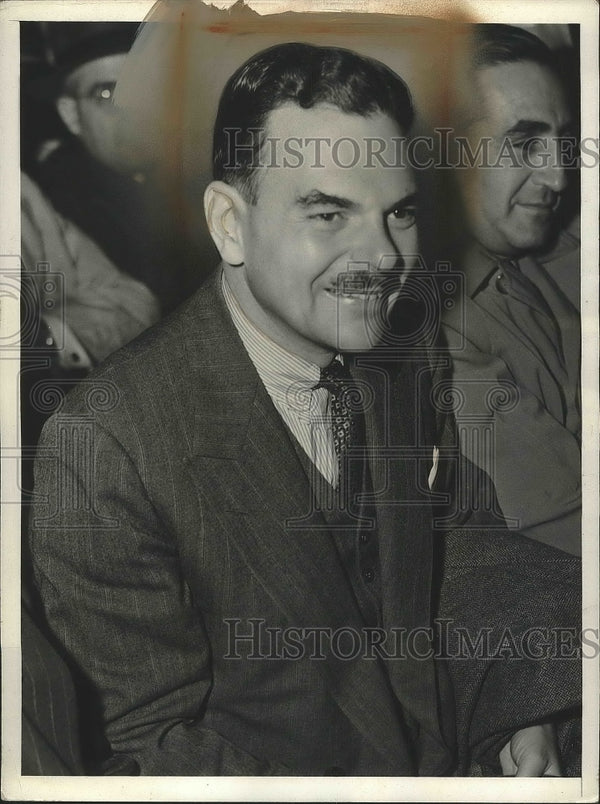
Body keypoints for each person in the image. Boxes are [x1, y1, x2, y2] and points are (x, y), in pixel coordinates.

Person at [28, 42, 580, 777]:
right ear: (230, 222)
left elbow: (457, 544)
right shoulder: (104, 445)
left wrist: (520, 705)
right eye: (328, 212)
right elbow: (151, 745)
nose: (382, 255)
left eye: (400, 213)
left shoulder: (406, 350)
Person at [439, 24, 581, 555]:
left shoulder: (553, 239)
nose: (559, 177)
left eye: (562, 143)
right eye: (524, 145)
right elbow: (573, 517)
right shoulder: (433, 328)